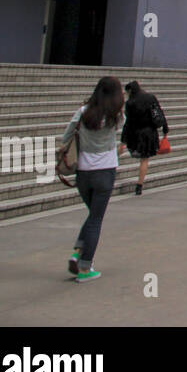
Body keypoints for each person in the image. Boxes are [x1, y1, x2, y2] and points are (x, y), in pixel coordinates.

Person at [62, 77, 125, 281]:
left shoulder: (83, 112)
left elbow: (67, 136)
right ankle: (84, 268)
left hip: (83, 171)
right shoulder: (116, 115)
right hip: (105, 171)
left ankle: (78, 252)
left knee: (93, 216)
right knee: (96, 219)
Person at [121, 81, 168, 195]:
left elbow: (128, 121)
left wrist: (124, 138)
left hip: (135, 132)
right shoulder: (150, 98)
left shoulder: (130, 103)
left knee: (130, 152)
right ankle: (139, 185)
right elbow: (158, 113)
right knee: (145, 159)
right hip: (149, 132)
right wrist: (165, 128)